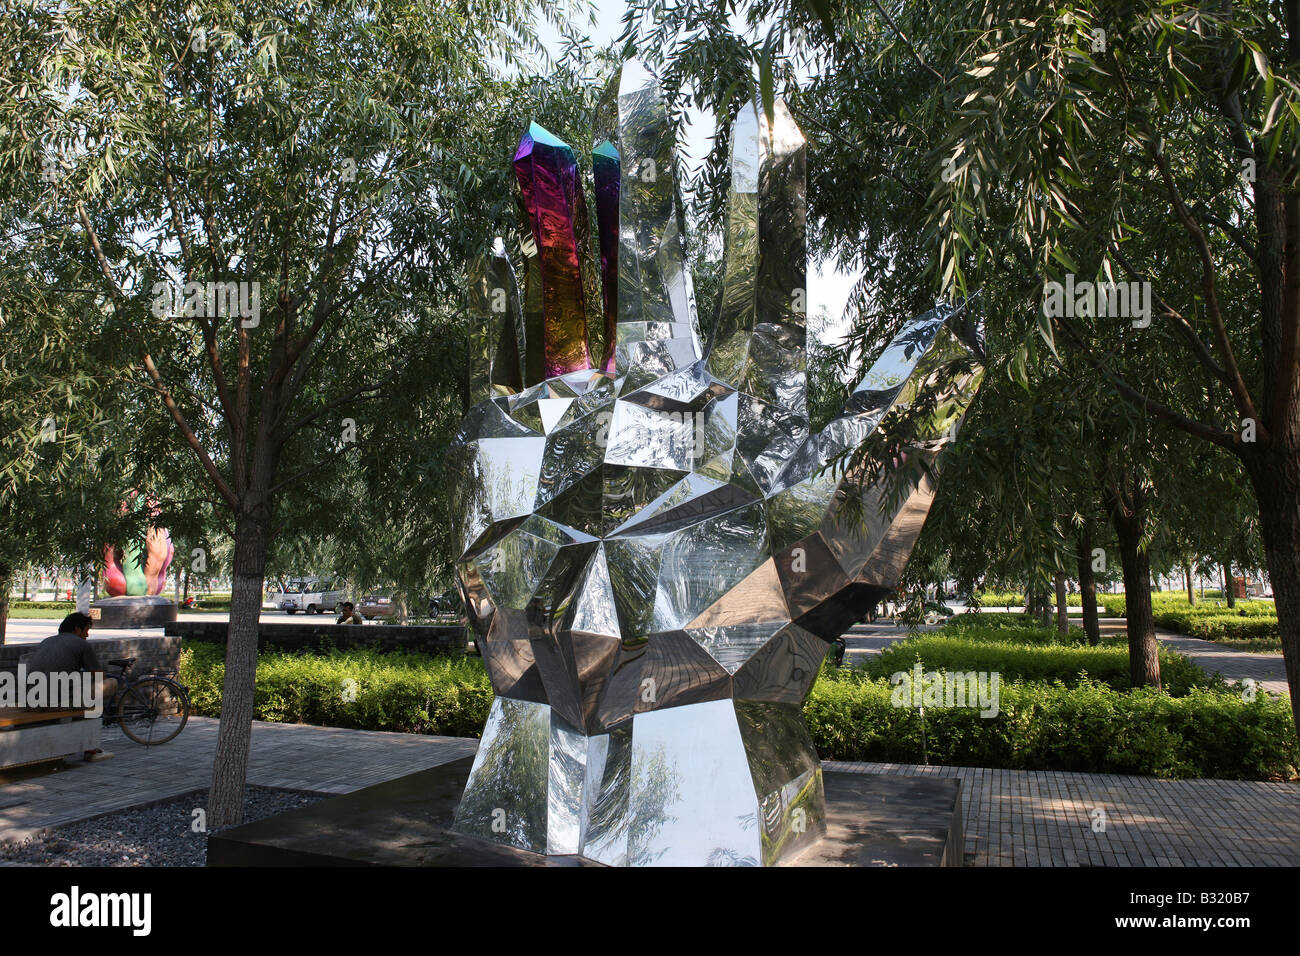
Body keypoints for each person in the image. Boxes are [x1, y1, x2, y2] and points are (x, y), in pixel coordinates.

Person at [25, 612, 116, 762]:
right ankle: (91, 750)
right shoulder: (81, 644)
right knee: (108, 686)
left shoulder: (46, 641)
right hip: (57, 702)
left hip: (31, 700)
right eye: (86, 630)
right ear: (77, 629)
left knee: (77, 693)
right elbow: (99, 676)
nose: (87, 635)